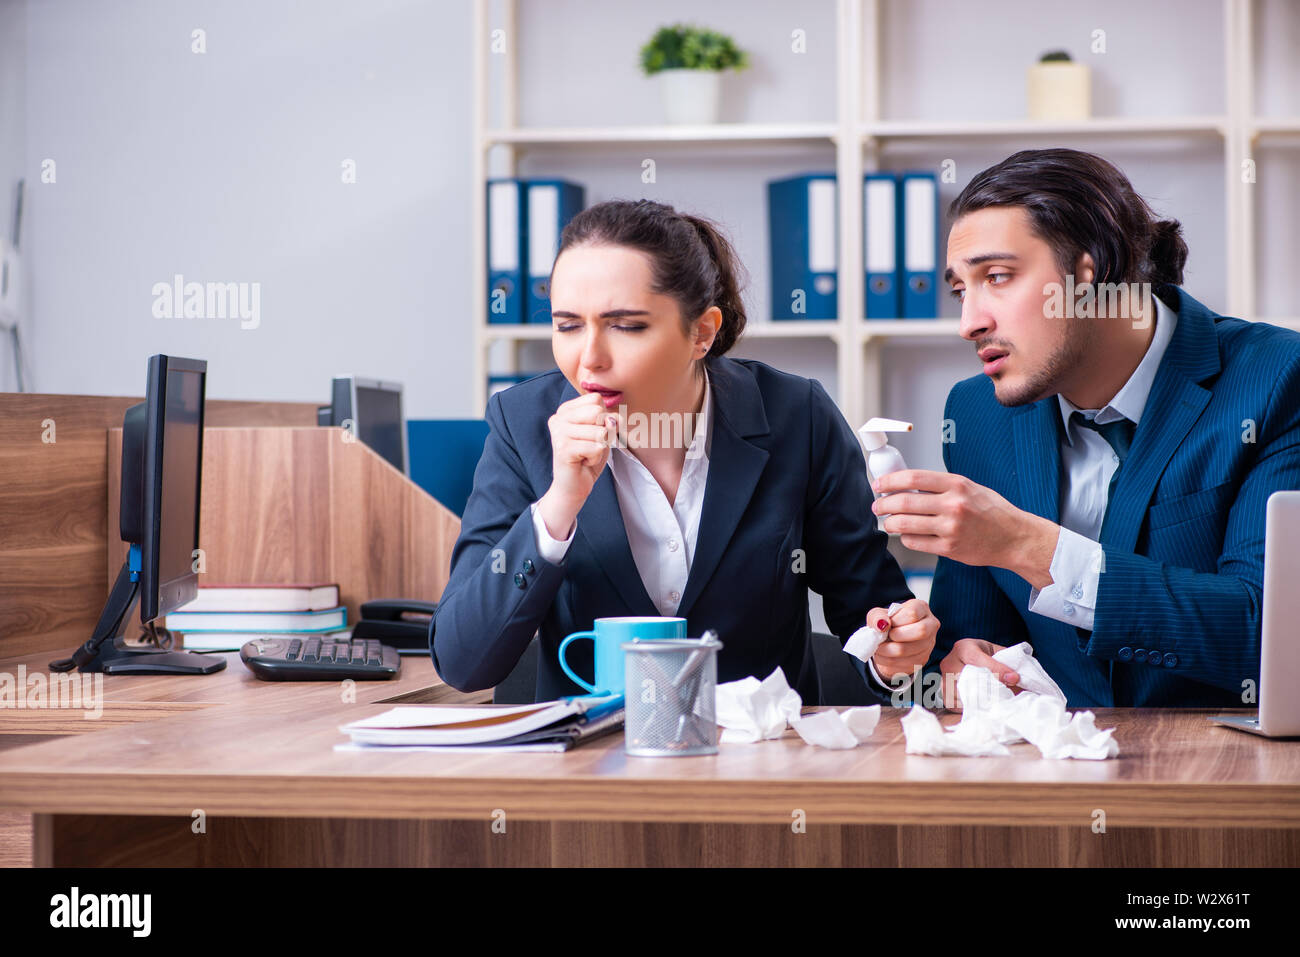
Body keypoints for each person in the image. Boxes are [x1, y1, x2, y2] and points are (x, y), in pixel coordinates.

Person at [431, 199, 939, 702]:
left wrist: (891, 647)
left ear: (702, 332)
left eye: (626, 326)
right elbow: (463, 661)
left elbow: (869, 607)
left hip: (759, 765)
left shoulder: (795, 415)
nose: (589, 358)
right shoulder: (522, 424)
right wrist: (558, 505)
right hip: (589, 769)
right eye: (567, 325)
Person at [870, 148, 1300, 709]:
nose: (968, 322)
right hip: (1052, 775)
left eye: (996, 278)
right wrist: (945, 666)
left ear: (1086, 273)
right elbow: (969, 640)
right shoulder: (977, 413)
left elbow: (1271, 636)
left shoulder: (1275, 378)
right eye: (961, 290)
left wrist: (1030, 547)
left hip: (1227, 774)